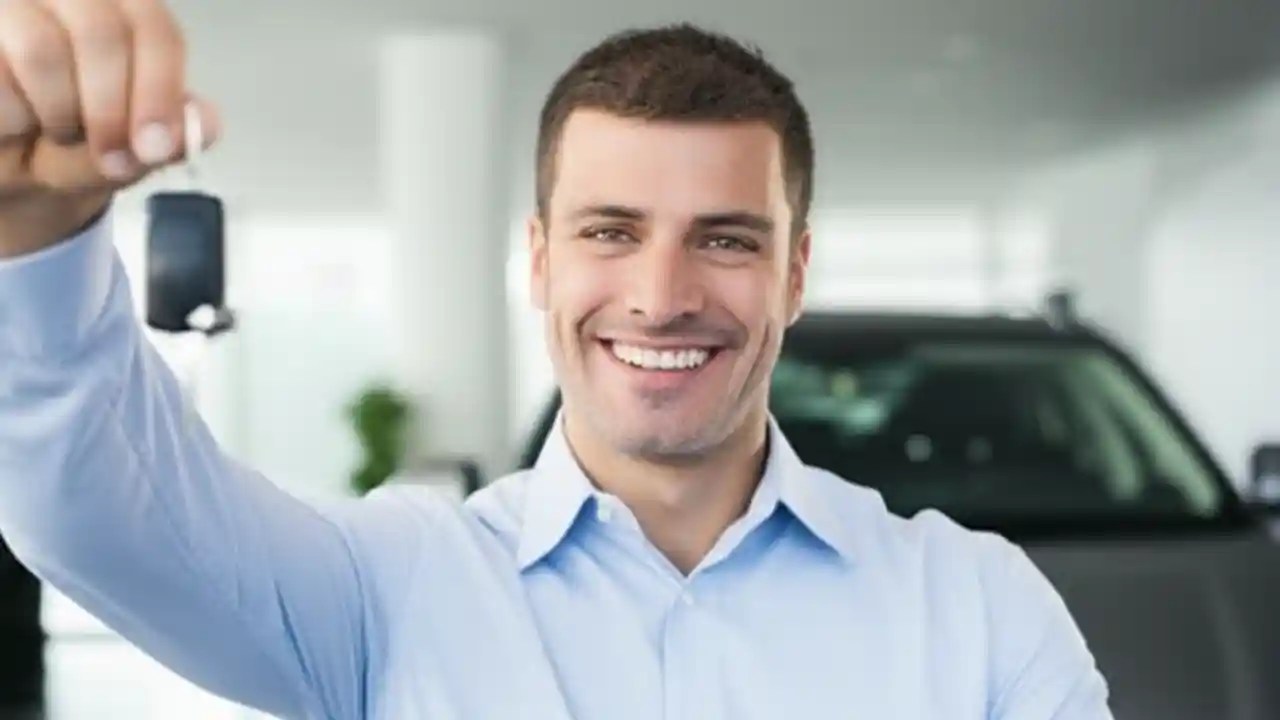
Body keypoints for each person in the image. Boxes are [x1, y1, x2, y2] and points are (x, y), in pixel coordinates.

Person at [0, 0, 1113, 717]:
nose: (661, 297)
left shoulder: (976, 608)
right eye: (608, 230)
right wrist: (35, 238)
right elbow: (95, 512)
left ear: (793, 272)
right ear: (539, 260)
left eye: (724, 239)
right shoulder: (383, 587)